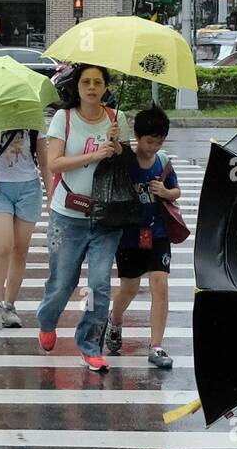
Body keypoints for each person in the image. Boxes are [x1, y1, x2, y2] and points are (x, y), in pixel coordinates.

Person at [36, 64, 132, 373]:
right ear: (76, 87)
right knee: (63, 282)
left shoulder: (118, 120)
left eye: (98, 82)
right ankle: (47, 320)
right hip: (67, 217)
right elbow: (55, 164)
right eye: (86, 82)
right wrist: (95, 154)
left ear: (105, 87)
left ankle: (90, 345)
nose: (92, 87)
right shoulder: (63, 120)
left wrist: (117, 146)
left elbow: (128, 164)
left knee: (99, 285)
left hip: (106, 217)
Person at [106, 106, 180, 369]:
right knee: (130, 287)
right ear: (137, 135)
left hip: (157, 232)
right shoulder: (126, 159)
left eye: (159, 142)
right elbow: (111, 157)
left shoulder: (163, 161)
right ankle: (114, 320)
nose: (153, 147)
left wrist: (166, 192)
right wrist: (112, 137)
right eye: (149, 141)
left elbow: (176, 191)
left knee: (160, 284)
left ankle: (157, 346)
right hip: (129, 234)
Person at [0, 128, 42, 330]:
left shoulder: (33, 120)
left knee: (20, 251)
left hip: (29, 188)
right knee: (4, 244)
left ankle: (9, 307)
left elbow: (45, 160)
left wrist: (53, 193)